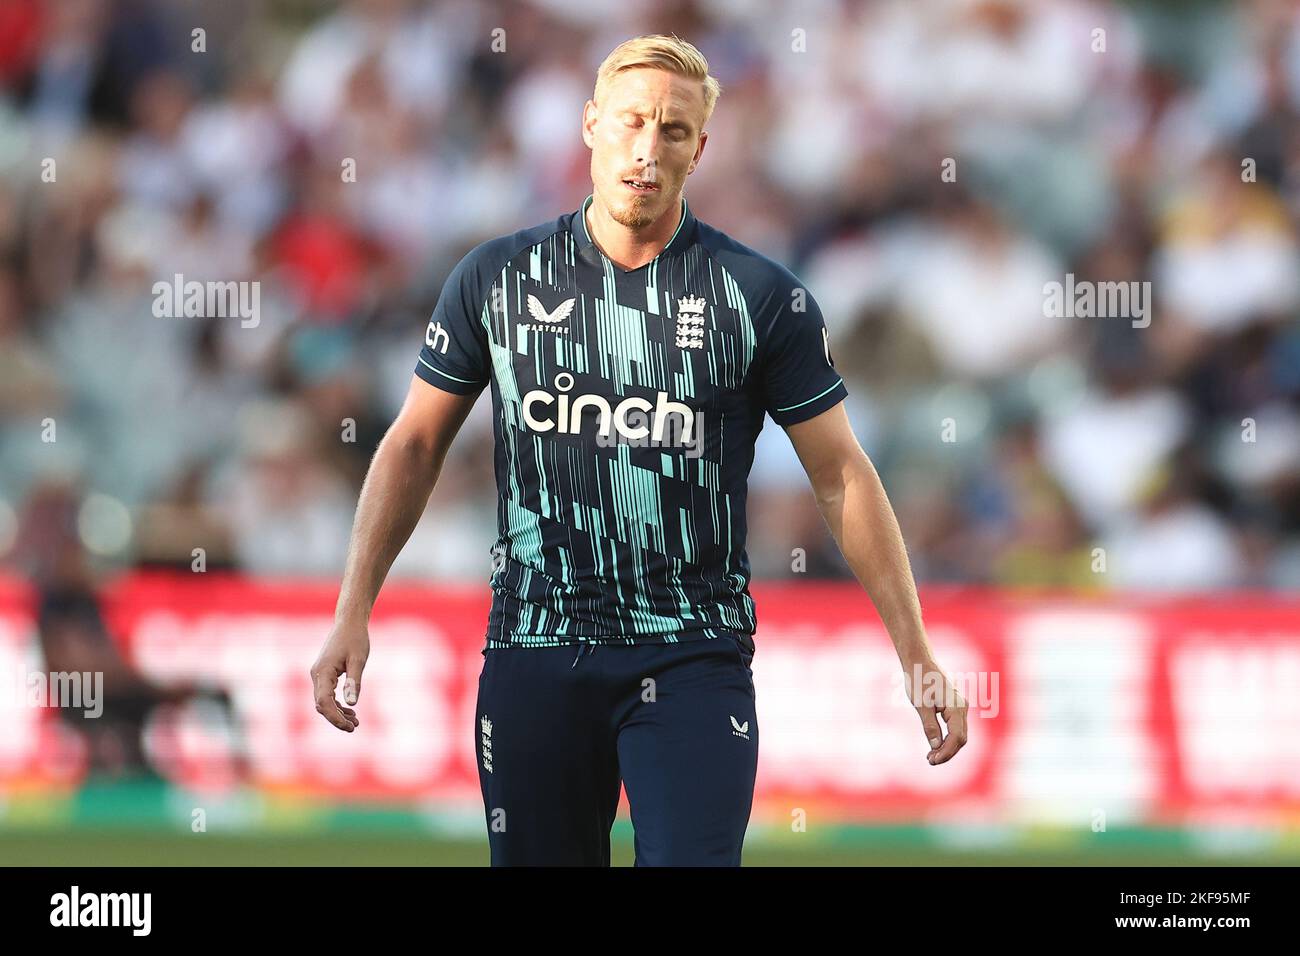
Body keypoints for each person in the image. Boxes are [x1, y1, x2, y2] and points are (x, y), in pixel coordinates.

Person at [311, 34, 967, 866]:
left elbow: (841, 474)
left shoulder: (759, 298)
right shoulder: (496, 279)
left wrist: (916, 653)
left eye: (673, 132)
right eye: (630, 124)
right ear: (589, 126)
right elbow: (411, 446)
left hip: (693, 653)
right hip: (534, 649)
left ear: (702, 147)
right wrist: (352, 611)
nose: (647, 152)